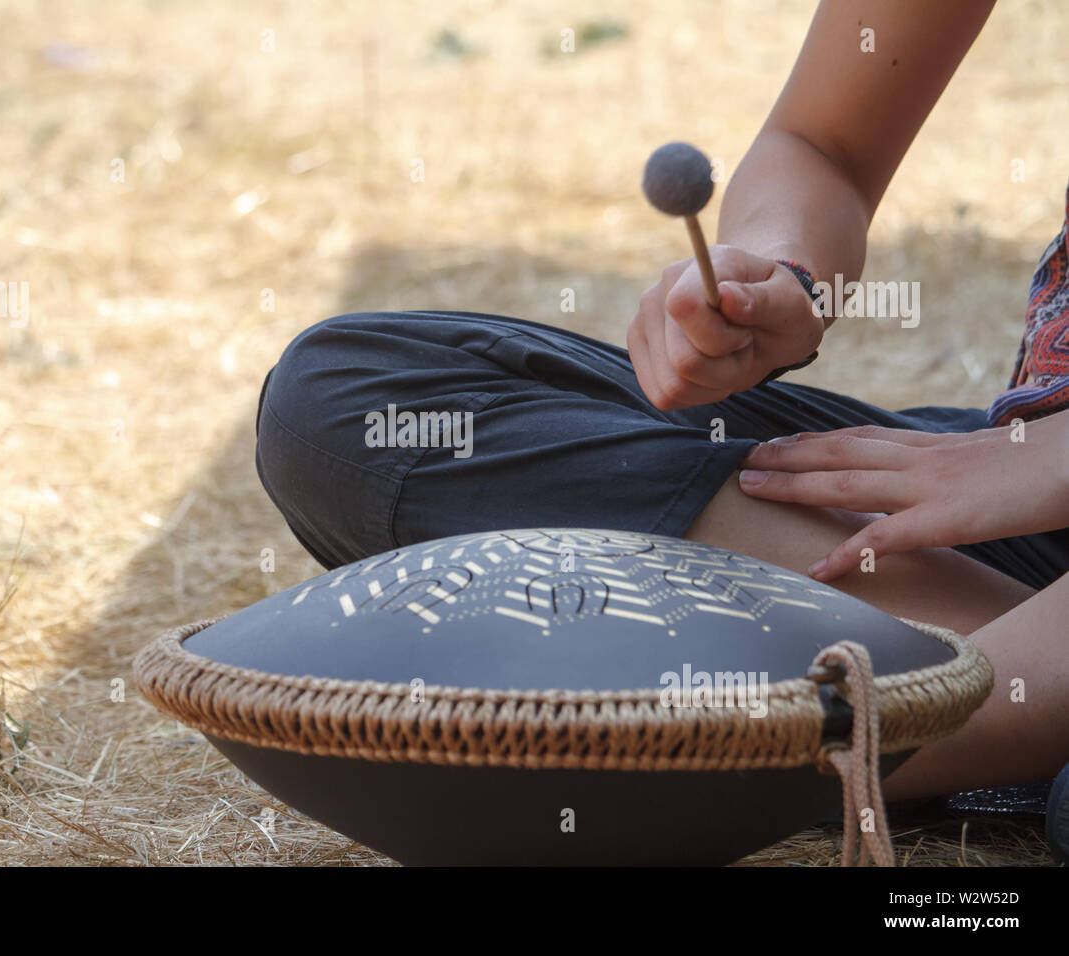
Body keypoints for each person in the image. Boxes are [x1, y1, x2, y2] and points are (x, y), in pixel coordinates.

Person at [252, 0, 1069, 853]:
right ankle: (1009, 713)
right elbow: (823, 144)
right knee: (350, 402)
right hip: (1022, 498)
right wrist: (780, 274)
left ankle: (971, 724)